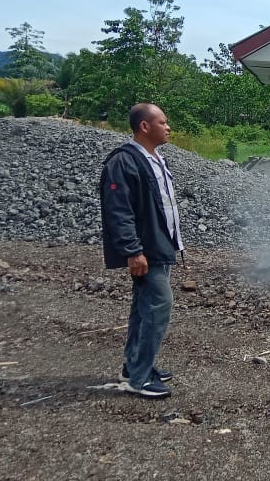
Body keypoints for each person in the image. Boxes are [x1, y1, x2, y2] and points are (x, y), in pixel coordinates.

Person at [99, 103, 184, 399]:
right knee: (158, 308)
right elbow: (119, 210)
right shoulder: (124, 162)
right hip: (146, 249)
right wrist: (133, 250)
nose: (168, 127)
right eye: (162, 122)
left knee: (143, 308)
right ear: (144, 127)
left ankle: (135, 365)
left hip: (160, 246)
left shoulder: (155, 159)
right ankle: (139, 379)